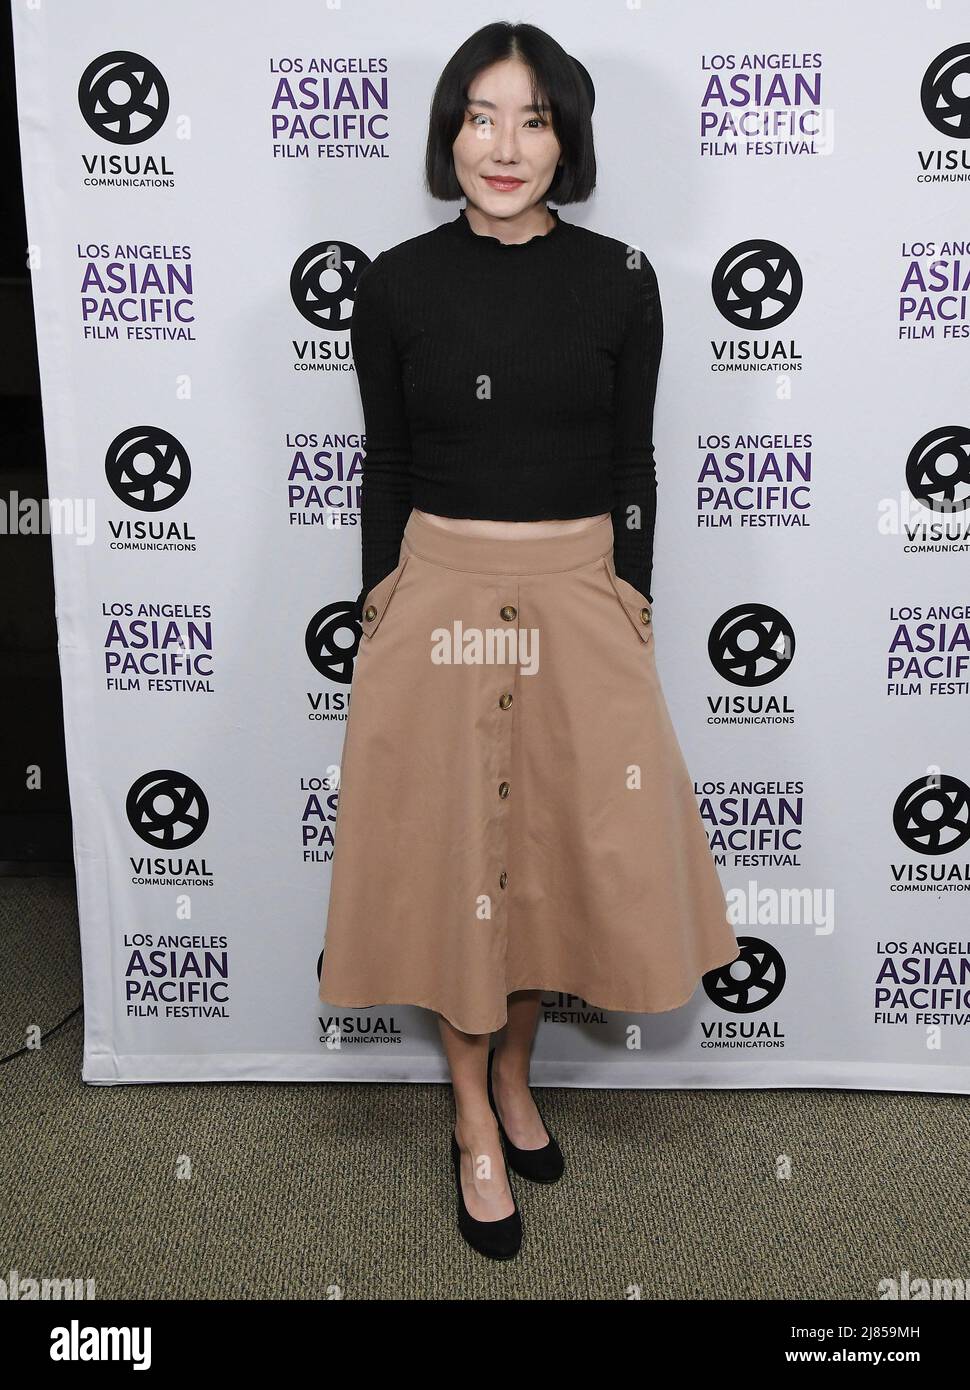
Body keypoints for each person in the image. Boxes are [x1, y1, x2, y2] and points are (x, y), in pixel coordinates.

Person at [318, 21, 740, 1260]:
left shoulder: (621, 278)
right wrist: (380, 602)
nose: (506, 146)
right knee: (460, 860)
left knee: (546, 861)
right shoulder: (396, 283)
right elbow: (385, 461)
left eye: (535, 119)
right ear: (448, 134)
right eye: (481, 117)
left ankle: (516, 1074)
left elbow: (631, 461)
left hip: (579, 597)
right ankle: (472, 1118)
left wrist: (631, 601)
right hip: (436, 598)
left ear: (567, 139)